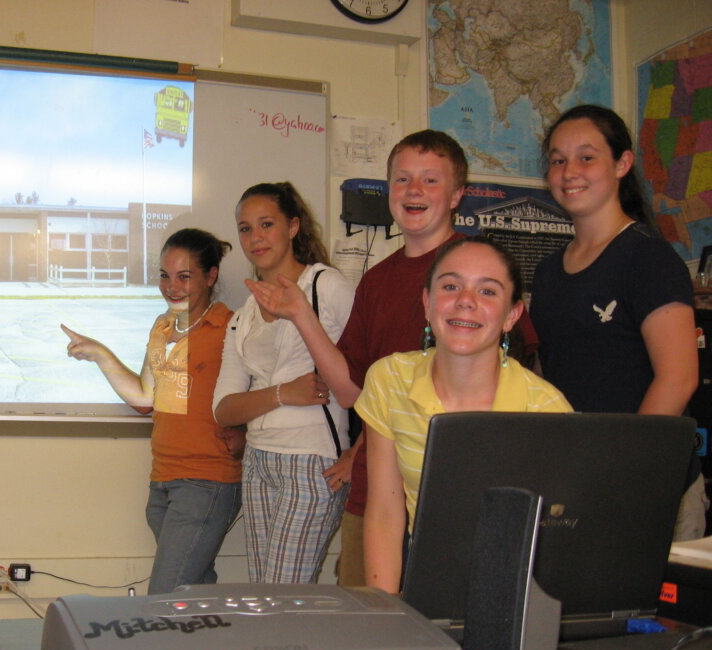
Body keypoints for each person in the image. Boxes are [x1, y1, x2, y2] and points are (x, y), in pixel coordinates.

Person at [246, 131, 538, 585]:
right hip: (374, 498)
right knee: (369, 634)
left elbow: (516, 383)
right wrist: (302, 316)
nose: (414, 191)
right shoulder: (376, 281)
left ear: (458, 194)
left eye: (430, 180)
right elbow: (351, 393)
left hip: (454, 499)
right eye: (402, 179)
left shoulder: (480, 271)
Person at [353, 236, 572, 592]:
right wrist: (386, 612)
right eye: (450, 286)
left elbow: (559, 536)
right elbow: (385, 512)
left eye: (487, 292)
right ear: (427, 303)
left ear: (512, 315)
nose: (465, 302)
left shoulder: (545, 409)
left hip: (513, 582)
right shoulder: (388, 379)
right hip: (423, 569)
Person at [531, 104, 703, 540]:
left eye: (587, 157)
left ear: (622, 163)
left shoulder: (648, 258)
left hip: (646, 484)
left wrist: (624, 476)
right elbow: (547, 377)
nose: (570, 171)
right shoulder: (549, 272)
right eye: (558, 159)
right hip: (577, 483)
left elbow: (678, 379)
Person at [61, 228, 242, 595]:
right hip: (163, 481)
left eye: (184, 276)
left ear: (211, 276)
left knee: (164, 596)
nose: (171, 286)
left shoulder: (230, 326)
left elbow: (256, 389)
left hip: (206, 482)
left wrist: (246, 431)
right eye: (164, 275)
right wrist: (99, 353)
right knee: (195, 591)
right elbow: (145, 398)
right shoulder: (161, 327)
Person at [213, 182, 354, 583]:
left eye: (266, 224)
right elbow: (224, 409)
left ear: (293, 227)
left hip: (313, 461)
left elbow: (377, 375)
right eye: (245, 229)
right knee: (265, 594)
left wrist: (358, 453)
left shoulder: (326, 287)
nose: (255, 238)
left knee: (282, 595)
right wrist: (282, 394)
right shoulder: (243, 314)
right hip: (258, 462)